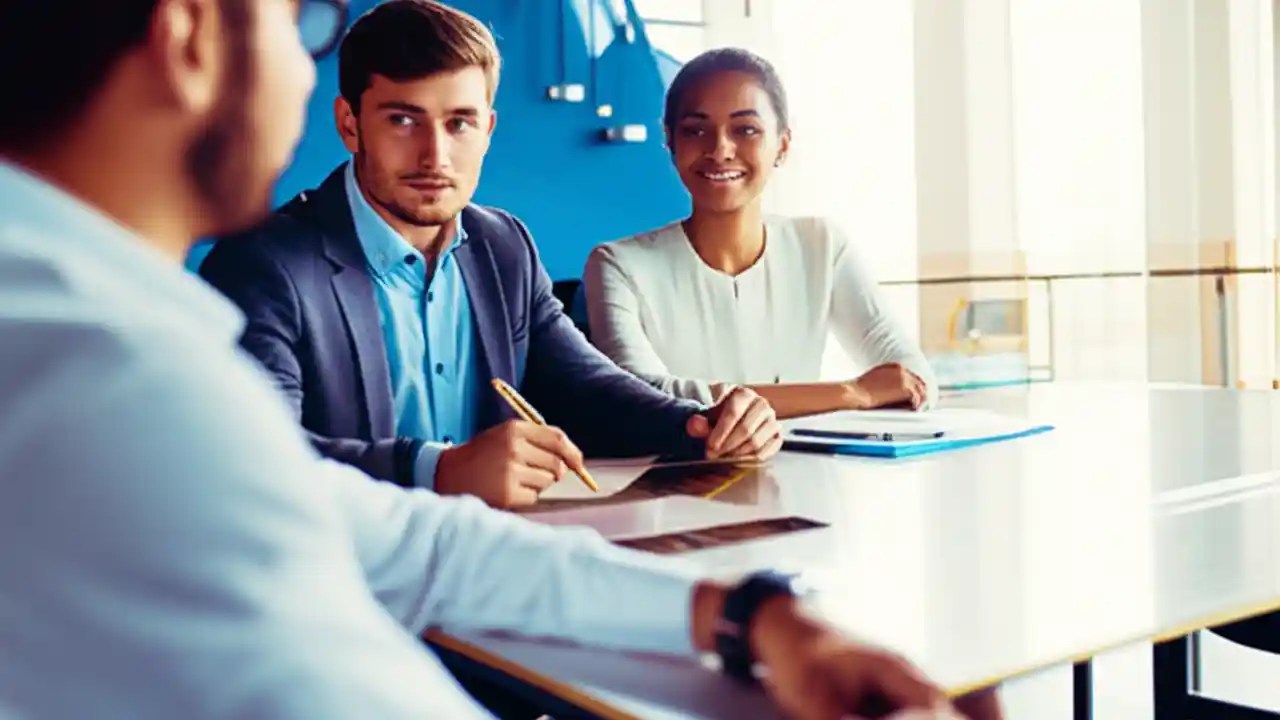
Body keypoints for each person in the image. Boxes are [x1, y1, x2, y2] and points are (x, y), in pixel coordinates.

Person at [0, 0, 1001, 718]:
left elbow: (415, 535)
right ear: (188, 34)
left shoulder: (101, 316)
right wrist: (439, 469)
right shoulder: (100, 369)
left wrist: (755, 614)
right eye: (298, 21)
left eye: (462, 121)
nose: (303, 69)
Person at [200, 2, 780, 510]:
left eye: (460, 123)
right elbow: (257, 459)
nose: (435, 155)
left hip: (487, 563)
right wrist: (438, 471)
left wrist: (702, 425)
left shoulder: (504, 247)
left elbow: (585, 388)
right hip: (341, 579)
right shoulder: (263, 264)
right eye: (403, 120)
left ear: (488, 128)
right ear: (350, 125)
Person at [584, 48, 938, 420]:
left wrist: (867, 393)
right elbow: (643, 396)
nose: (720, 149)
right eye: (696, 130)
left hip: (804, 472)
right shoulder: (617, 265)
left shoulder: (822, 247)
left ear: (782, 145)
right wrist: (852, 393)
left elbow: (914, 382)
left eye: (746, 130)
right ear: (670, 142)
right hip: (678, 475)